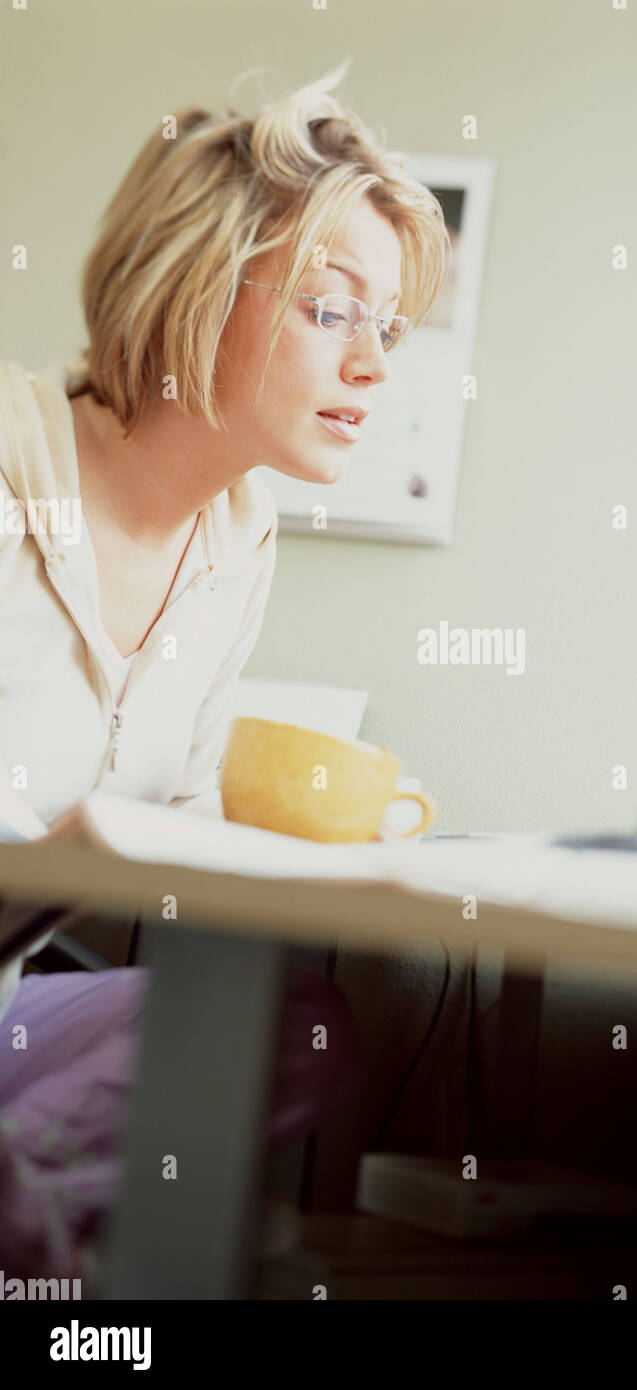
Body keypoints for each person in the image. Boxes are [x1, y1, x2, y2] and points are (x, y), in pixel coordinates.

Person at [0, 59, 451, 1281]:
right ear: (198, 284)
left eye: (389, 327)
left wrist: (330, 859)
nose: (375, 368)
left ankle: (23, 1214)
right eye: (330, 309)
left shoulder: (237, 541)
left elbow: (187, 821)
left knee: (294, 1024)